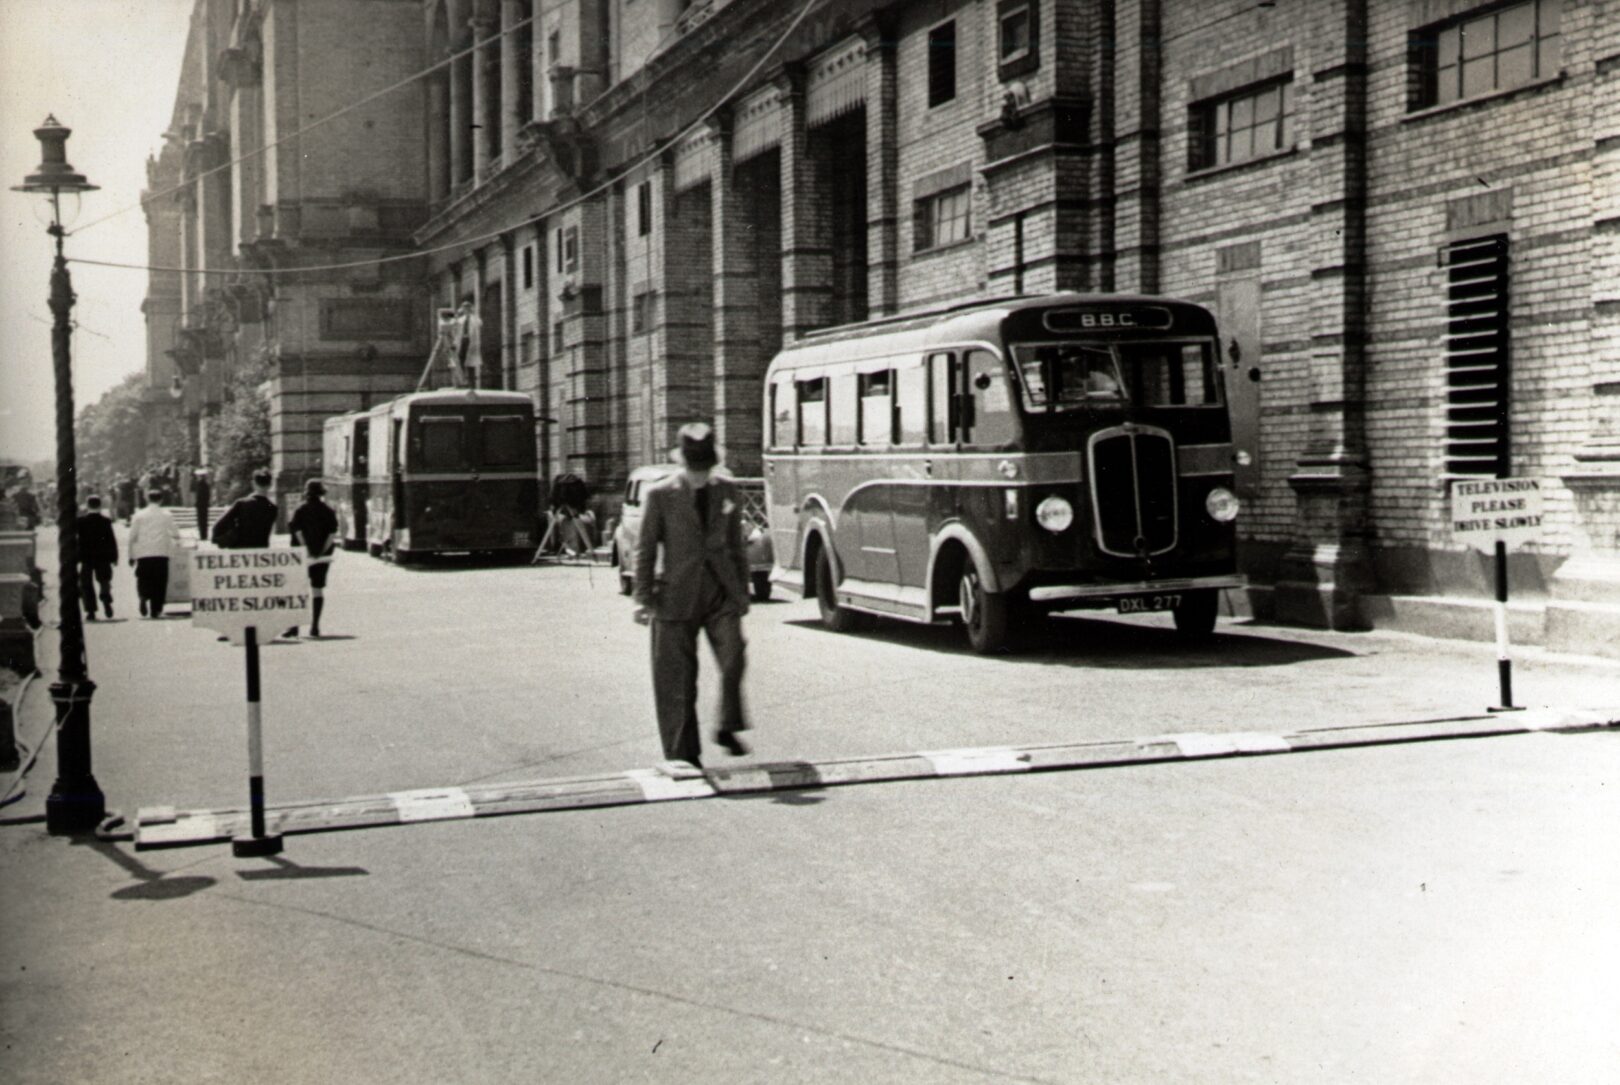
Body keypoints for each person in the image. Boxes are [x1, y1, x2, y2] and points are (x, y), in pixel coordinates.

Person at [632, 422, 752, 768]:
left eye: (705, 468)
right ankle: (684, 753)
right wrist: (642, 598)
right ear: (682, 464)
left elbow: (736, 546)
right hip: (674, 596)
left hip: (719, 593)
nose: (700, 475)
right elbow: (645, 549)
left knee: (734, 656)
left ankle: (727, 726)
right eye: (694, 469)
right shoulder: (660, 494)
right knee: (676, 680)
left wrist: (741, 592)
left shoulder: (728, 490)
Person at [283, 479, 338, 639]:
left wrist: (305, 548)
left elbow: (297, 531)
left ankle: (294, 627)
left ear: (306, 492)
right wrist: (321, 551)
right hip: (322, 556)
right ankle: (315, 626)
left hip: (301, 555)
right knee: (317, 589)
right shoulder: (328, 511)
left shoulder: (300, 509)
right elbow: (332, 534)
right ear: (322, 493)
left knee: (298, 590)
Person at [127, 488, 179, 619]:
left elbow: (132, 536)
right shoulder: (166, 514)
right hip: (161, 552)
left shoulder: (139, 515)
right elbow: (175, 532)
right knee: (160, 581)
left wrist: (131, 555)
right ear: (161, 500)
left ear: (147, 499)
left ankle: (143, 595)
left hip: (143, 552)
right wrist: (176, 538)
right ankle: (156, 608)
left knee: (143, 577)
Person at [75, 495, 119, 620]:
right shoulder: (105, 521)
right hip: (103, 556)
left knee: (86, 583)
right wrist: (114, 557)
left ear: (87, 505)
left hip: (86, 556)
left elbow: (77, 541)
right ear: (100, 506)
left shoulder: (80, 521)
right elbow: (111, 540)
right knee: (104, 579)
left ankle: (90, 611)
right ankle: (105, 596)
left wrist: (76, 557)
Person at [211, 469, 278, 549]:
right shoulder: (273, 508)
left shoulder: (242, 503)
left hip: (239, 551)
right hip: (260, 553)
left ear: (253, 484)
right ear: (270, 485)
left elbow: (218, 526)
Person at [193, 469, 211, 534]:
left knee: (201, 519)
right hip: (205, 504)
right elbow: (208, 495)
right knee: (205, 519)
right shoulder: (206, 484)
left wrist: (197, 502)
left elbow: (199, 495)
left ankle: (202, 534)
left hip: (200, 504)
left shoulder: (199, 484)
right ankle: (204, 534)